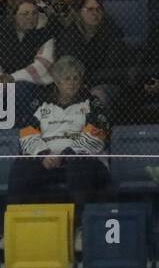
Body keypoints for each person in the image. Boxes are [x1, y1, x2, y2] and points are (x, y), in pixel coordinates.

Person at [9, 54, 110, 205]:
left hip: (80, 160)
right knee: (21, 167)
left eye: (76, 78)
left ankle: (81, 222)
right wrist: (43, 156)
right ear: (57, 82)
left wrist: (66, 155)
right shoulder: (40, 104)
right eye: (67, 79)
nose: (72, 83)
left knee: (79, 166)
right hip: (46, 160)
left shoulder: (93, 104)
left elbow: (96, 136)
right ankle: (16, 221)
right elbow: (27, 135)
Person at [56, 0, 132, 107]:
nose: (95, 13)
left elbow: (113, 68)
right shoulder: (69, 34)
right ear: (80, 11)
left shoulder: (112, 33)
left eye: (98, 9)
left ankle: (94, 124)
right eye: (90, 9)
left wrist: (87, 81)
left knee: (97, 95)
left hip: (104, 83)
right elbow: (66, 64)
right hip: (75, 83)